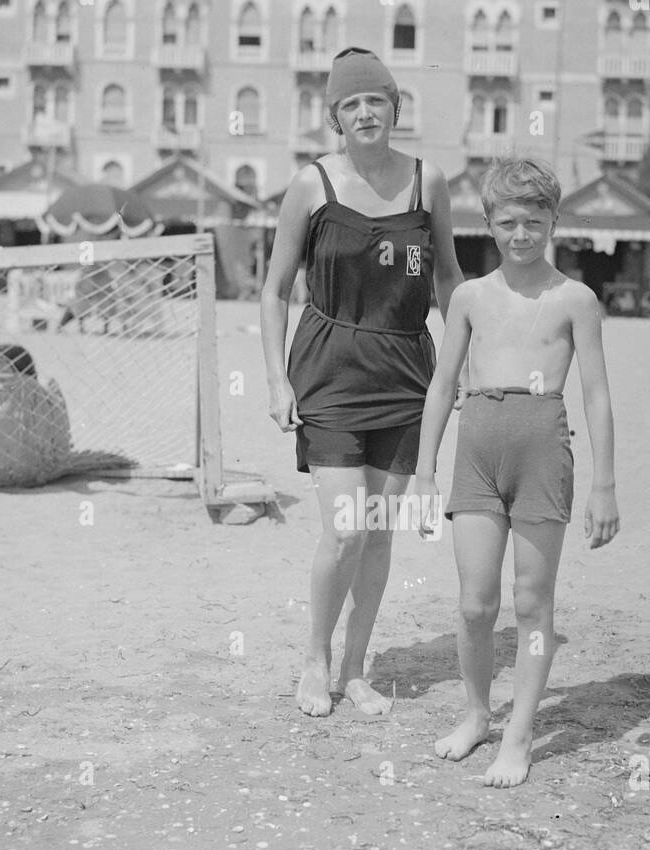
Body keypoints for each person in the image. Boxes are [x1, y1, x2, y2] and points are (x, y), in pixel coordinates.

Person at [260, 47, 465, 717]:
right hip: (328, 370)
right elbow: (273, 291)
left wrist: (467, 360)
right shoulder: (311, 185)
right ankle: (315, 661)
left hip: (406, 372)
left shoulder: (427, 182)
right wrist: (274, 380)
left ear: (395, 106)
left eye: (376, 99)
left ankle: (355, 669)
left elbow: (448, 282)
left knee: (379, 532)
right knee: (345, 529)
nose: (365, 112)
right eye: (351, 103)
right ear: (334, 117)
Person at [415, 158, 620, 788]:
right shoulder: (470, 297)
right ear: (489, 224)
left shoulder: (575, 299)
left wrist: (604, 485)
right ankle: (476, 714)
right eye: (509, 222)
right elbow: (443, 384)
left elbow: (596, 395)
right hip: (477, 449)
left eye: (535, 221)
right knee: (476, 603)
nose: (523, 234)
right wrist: (424, 473)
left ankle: (520, 735)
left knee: (532, 603)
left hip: (542, 452)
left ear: (555, 220)